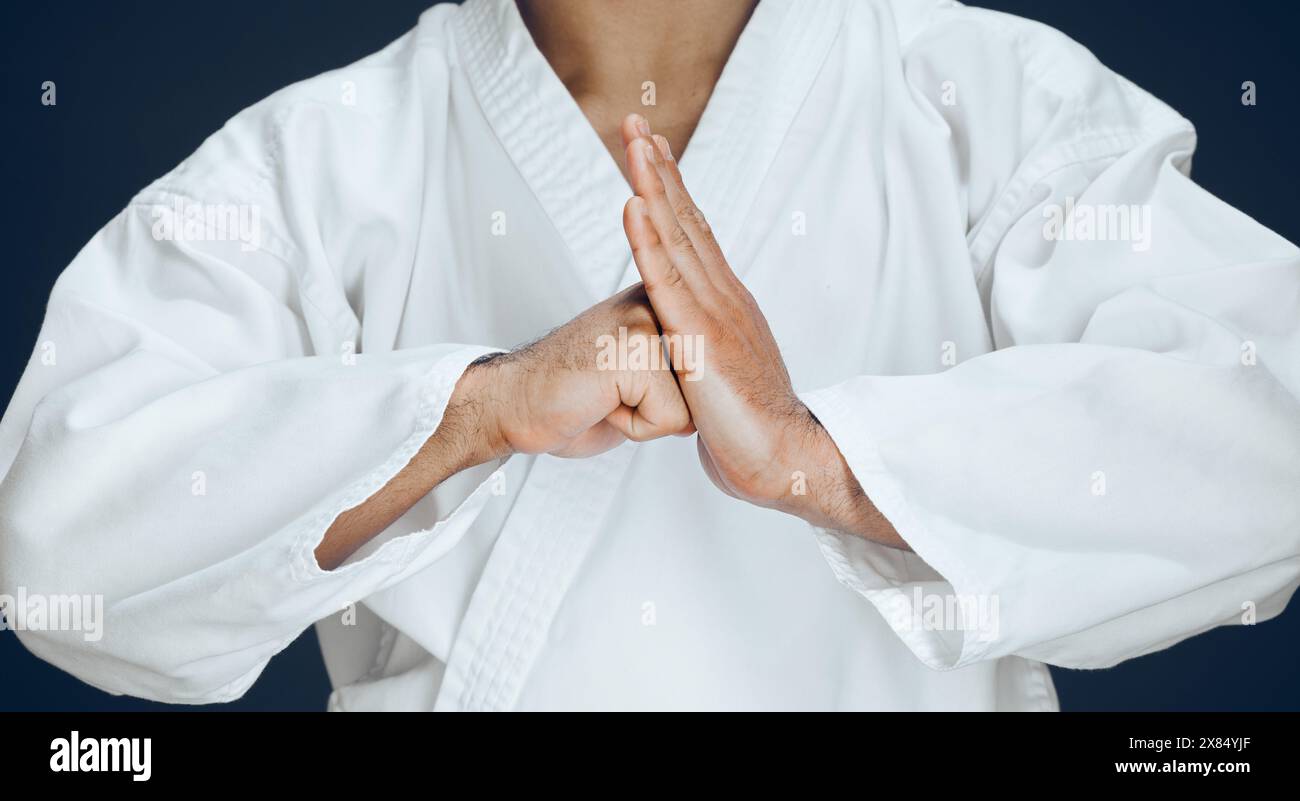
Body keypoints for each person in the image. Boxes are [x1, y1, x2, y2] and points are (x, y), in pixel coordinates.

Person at [1, 0, 1297, 711]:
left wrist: (818, 457)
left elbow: (1269, 423)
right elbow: (53, 549)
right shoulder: (327, 156)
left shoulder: (985, 101)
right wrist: (476, 409)